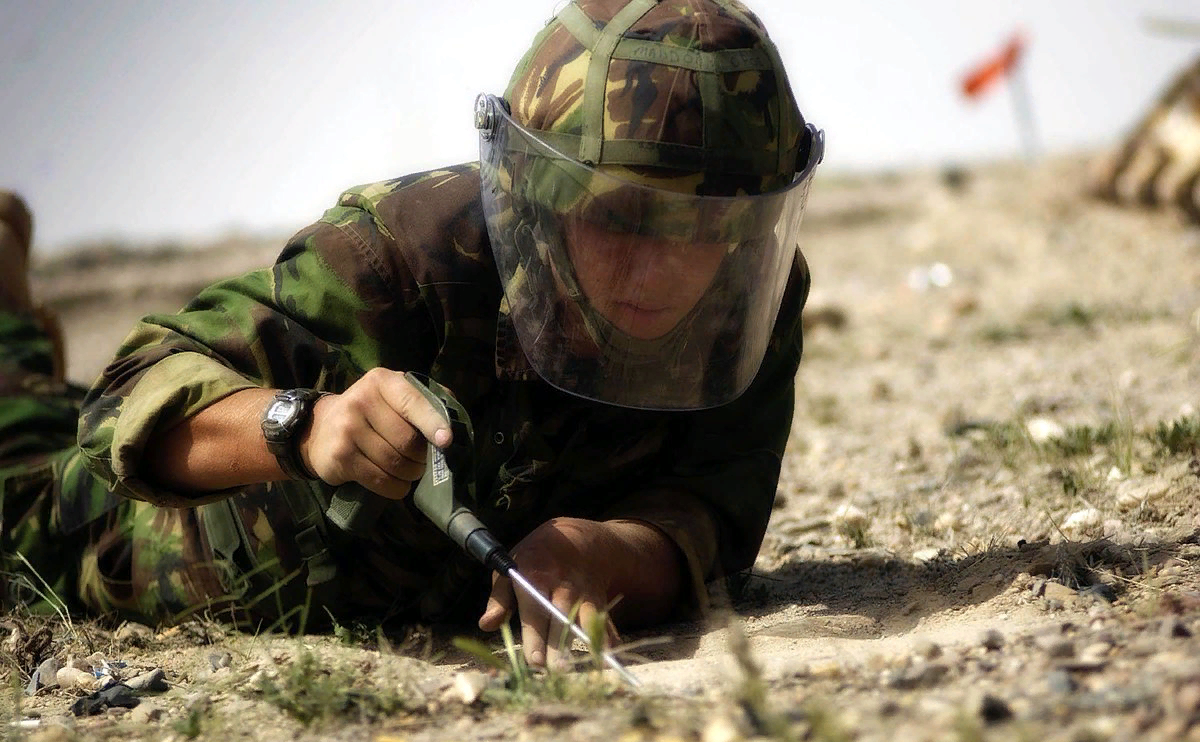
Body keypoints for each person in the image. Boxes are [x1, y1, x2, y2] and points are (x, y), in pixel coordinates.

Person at [1, 0, 822, 669]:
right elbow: (121, 397)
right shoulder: (397, 255)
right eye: (617, 219)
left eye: (697, 229)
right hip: (144, 537)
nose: (655, 270)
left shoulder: (750, 294)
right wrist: (304, 427)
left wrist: (605, 552)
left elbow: (710, 506)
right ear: (541, 194)